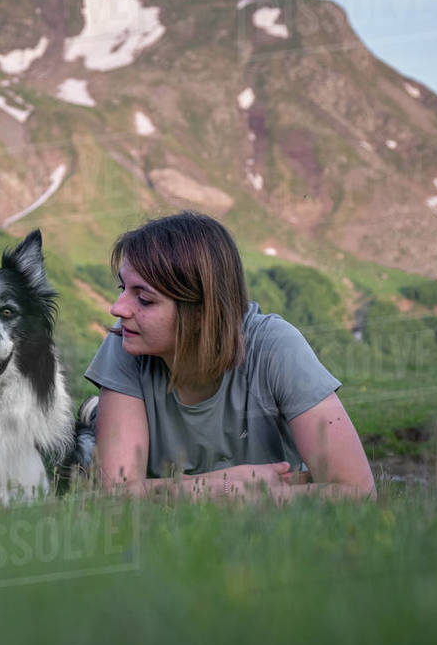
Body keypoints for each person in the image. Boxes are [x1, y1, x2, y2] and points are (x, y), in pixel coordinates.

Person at [83, 211, 375, 502]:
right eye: (123, 288)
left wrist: (249, 500)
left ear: (201, 312)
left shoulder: (276, 347)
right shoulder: (127, 340)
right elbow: (117, 494)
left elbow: (358, 491)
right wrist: (219, 487)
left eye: (144, 299)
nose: (118, 309)